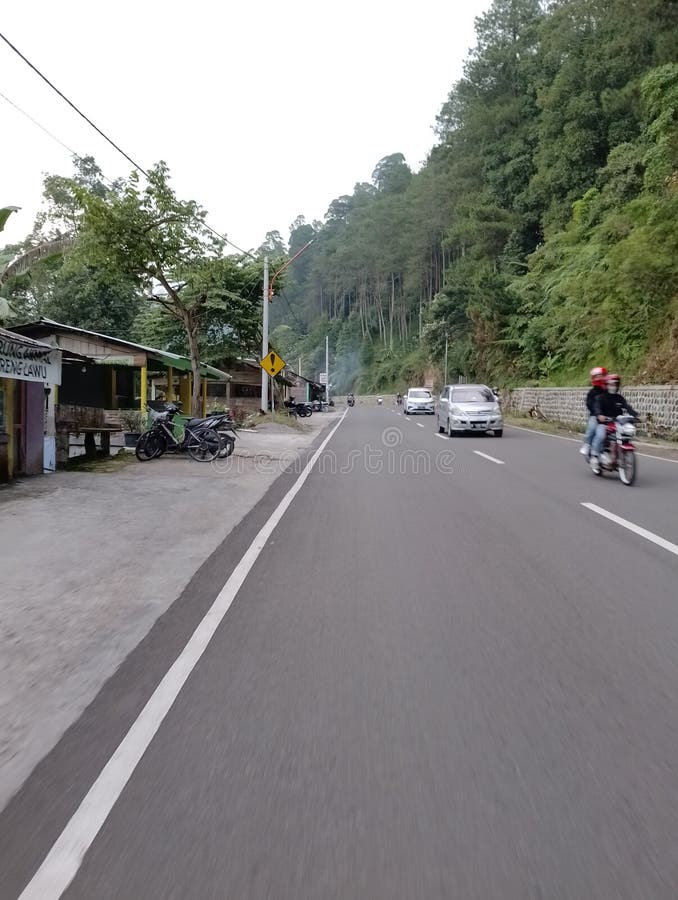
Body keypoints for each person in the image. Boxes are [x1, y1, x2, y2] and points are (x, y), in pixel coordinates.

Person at [590, 374, 640, 471]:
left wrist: (637, 416)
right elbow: (597, 408)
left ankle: (617, 455)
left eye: (615, 384)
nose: (613, 386)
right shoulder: (600, 397)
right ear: (606, 385)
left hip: (617, 423)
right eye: (611, 384)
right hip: (604, 423)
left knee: (625, 435)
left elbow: (628, 407)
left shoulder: (619, 398)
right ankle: (595, 456)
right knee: (600, 436)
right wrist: (599, 415)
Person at [579, 366, 607, 457]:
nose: (599, 378)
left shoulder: (608, 391)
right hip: (595, 415)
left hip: (608, 416)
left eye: (601, 375)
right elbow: (589, 404)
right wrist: (597, 413)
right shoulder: (592, 392)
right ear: (593, 378)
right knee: (592, 428)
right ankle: (587, 444)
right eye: (597, 376)